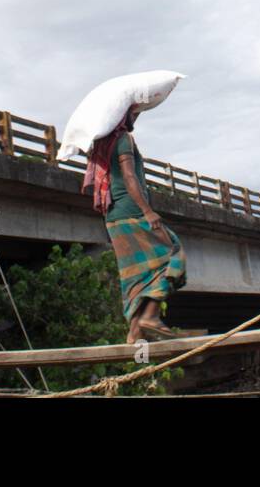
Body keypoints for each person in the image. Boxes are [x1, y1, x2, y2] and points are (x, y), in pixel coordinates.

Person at [84, 109, 187, 343]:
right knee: (174, 253)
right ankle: (149, 317)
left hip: (113, 216)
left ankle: (135, 332)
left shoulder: (100, 144)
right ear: (120, 116)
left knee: (136, 272)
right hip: (132, 210)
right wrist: (147, 211)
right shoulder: (123, 139)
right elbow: (130, 177)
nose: (135, 117)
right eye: (133, 113)